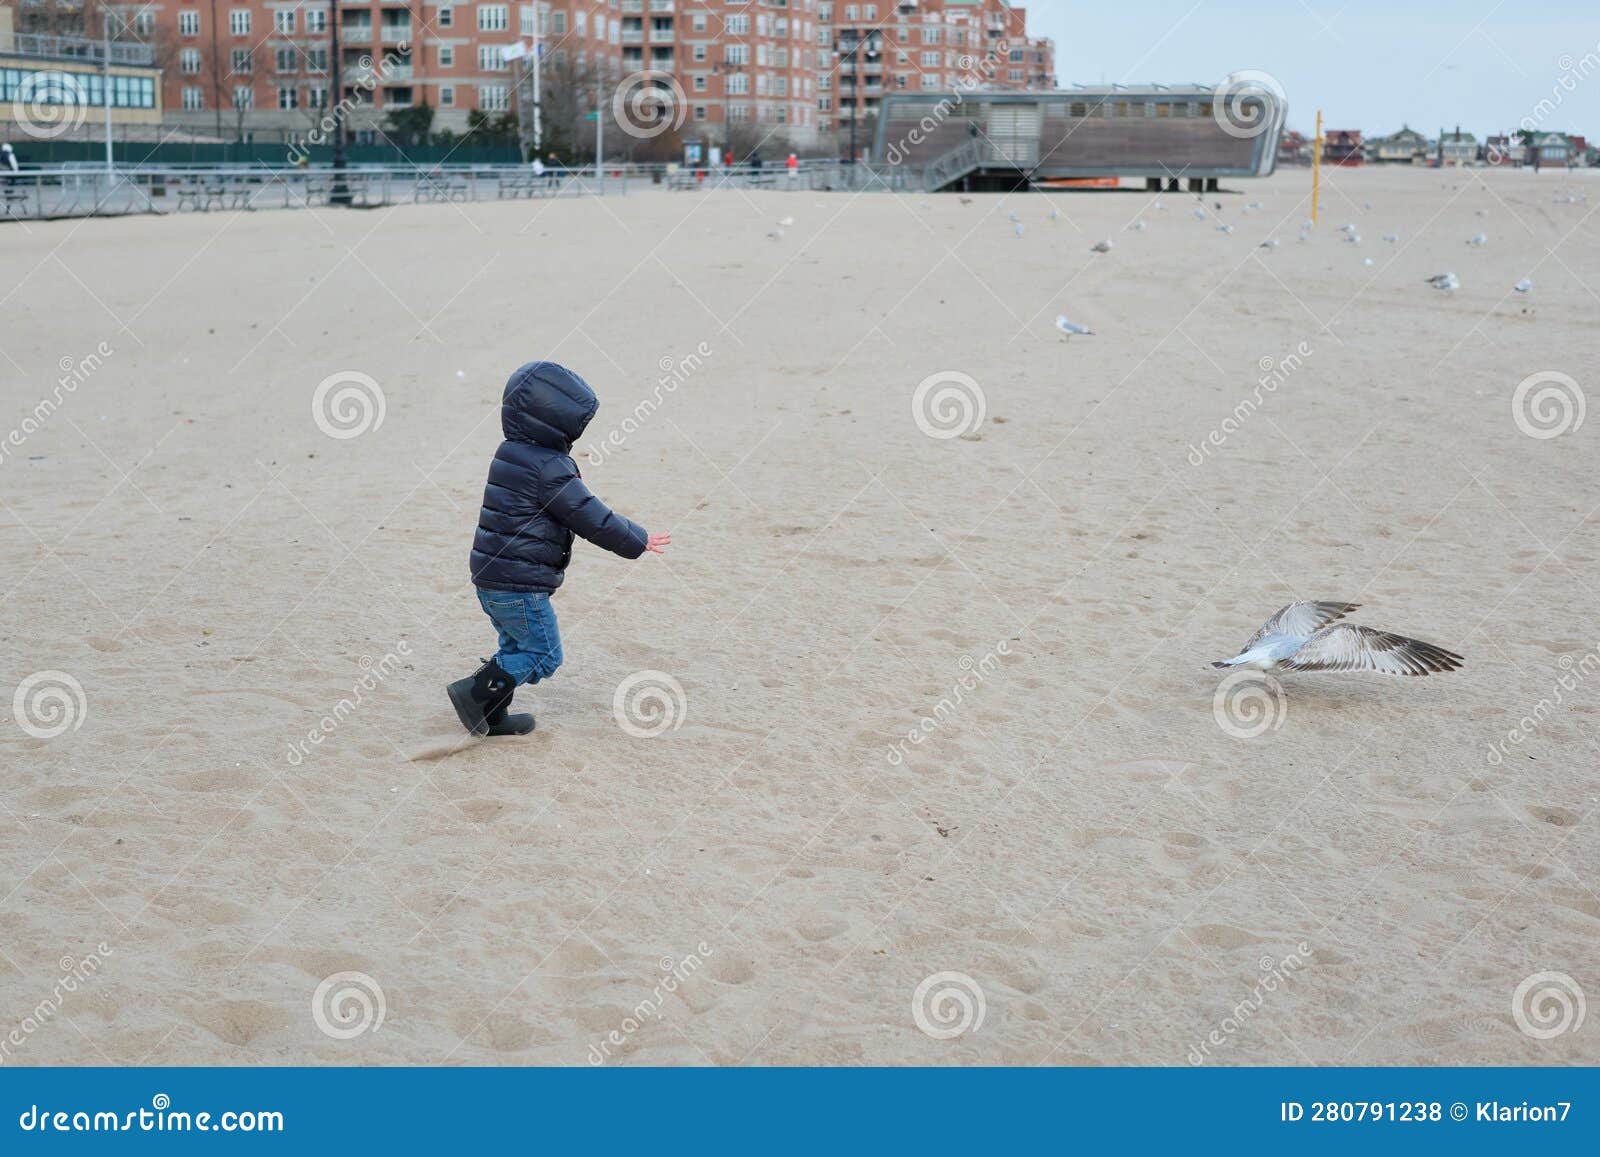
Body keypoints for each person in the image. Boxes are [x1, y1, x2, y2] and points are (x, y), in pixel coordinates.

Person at [449, 362, 670, 736]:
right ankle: (473, 692)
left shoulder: (511, 452)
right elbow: (588, 515)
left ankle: (492, 715)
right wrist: (636, 539)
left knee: (516, 646)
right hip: (519, 586)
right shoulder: (549, 468)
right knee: (544, 654)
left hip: (492, 578)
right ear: (555, 421)